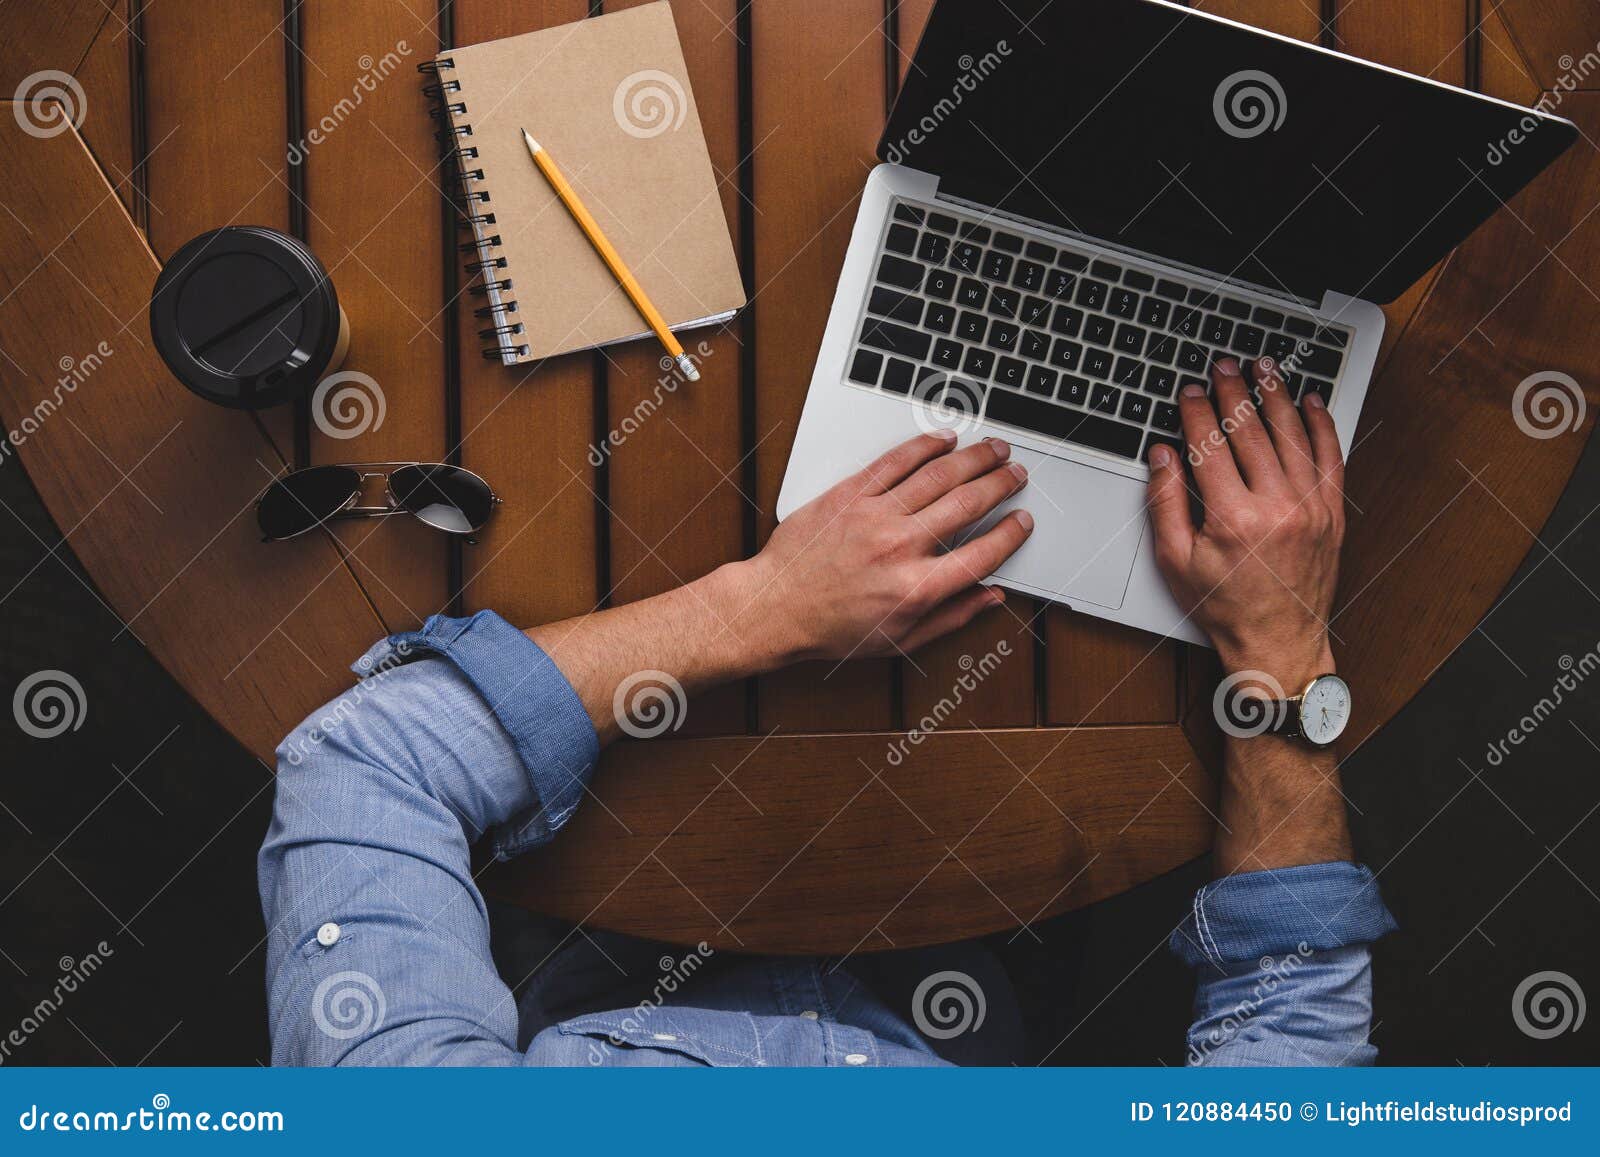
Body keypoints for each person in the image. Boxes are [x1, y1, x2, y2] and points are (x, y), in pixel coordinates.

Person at [259, 357, 1394, 1065]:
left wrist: (766, 602)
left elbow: (362, 765)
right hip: (981, 968)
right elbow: (1288, 1035)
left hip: (591, 935)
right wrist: (1279, 645)